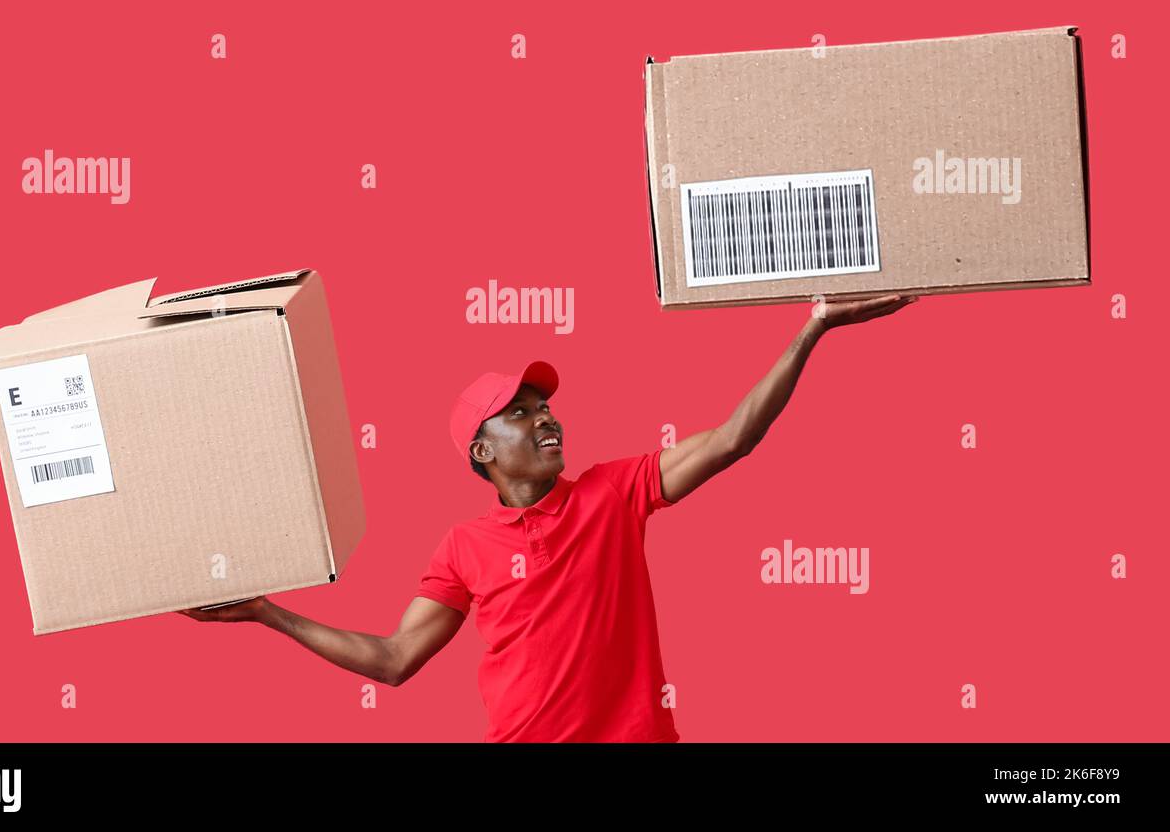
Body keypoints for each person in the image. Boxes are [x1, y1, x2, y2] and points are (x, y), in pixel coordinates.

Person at [179, 294, 918, 741]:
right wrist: (268, 614)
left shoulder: (615, 490)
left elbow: (732, 438)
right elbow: (393, 661)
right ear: (481, 449)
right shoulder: (463, 547)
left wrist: (813, 329)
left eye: (546, 407)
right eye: (521, 413)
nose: (546, 419)